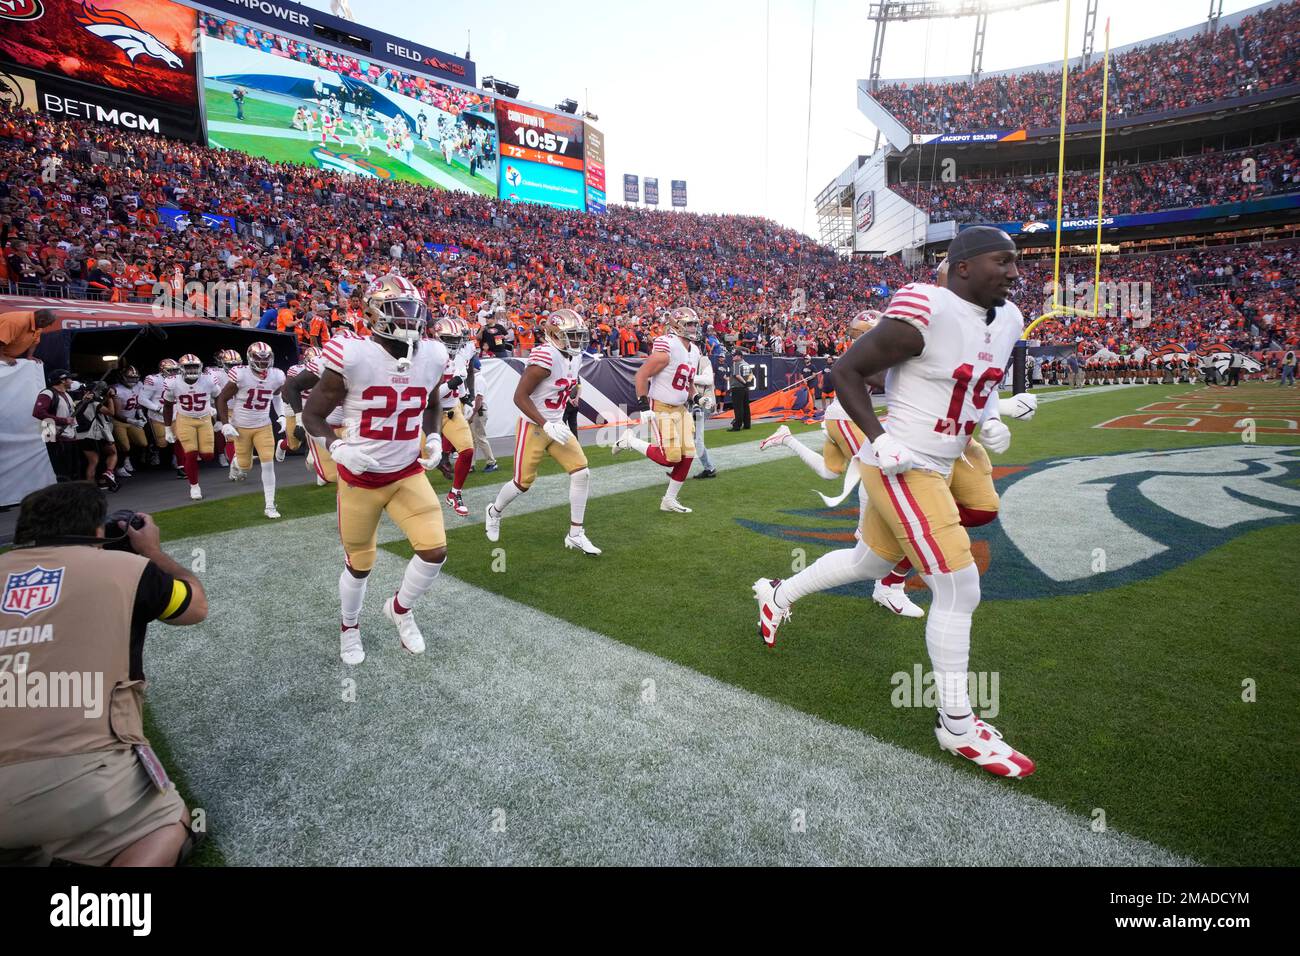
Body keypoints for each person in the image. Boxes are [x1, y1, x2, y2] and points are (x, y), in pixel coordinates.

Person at [752, 226, 1035, 779]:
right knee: (958, 585)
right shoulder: (926, 307)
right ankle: (956, 725)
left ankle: (777, 593)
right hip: (907, 462)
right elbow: (846, 371)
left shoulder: (1010, 318)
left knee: (872, 562)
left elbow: (986, 378)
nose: (1014, 272)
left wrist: (994, 417)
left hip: (949, 456)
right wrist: (879, 439)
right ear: (961, 267)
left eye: (1016, 262)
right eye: (1002, 261)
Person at [0, 482, 208, 866]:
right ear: (97, 530)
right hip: (77, 780)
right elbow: (195, 606)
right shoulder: (126, 569)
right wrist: (151, 552)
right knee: (172, 823)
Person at [302, 274, 450, 666]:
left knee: (434, 551)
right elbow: (312, 415)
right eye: (398, 310)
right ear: (373, 314)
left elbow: (433, 403)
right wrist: (337, 447)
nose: (409, 318)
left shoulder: (433, 355)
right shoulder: (352, 354)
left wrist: (433, 438)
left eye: (413, 310)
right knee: (360, 564)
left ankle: (400, 609)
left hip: (405, 472)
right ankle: (349, 627)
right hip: (360, 478)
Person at [485, 309, 600, 555]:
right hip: (534, 426)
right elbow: (519, 396)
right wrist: (544, 422)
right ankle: (494, 511)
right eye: (572, 336)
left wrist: (562, 405)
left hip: (557, 425)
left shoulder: (574, 356)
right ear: (554, 335)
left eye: (579, 336)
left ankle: (576, 534)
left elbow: (567, 382)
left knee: (582, 473)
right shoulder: (545, 356)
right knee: (522, 483)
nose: (577, 342)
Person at [611, 306, 703, 513]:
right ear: (677, 325)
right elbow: (641, 375)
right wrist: (643, 406)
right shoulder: (667, 346)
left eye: (694, 324)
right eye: (689, 324)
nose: (693, 328)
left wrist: (696, 397)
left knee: (688, 454)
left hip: (680, 408)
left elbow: (687, 381)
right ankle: (630, 441)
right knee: (669, 458)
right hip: (661, 405)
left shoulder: (694, 351)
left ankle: (669, 500)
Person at [216, 342, 285, 519]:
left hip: (263, 425)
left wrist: (282, 416)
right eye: (258, 359)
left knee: (268, 464)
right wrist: (225, 423)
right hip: (241, 427)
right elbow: (222, 399)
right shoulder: (240, 374)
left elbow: (277, 397)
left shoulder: (277, 376)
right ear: (250, 358)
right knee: (245, 466)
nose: (262, 363)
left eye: (266, 359)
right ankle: (236, 463)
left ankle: (269, 505)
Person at [432, 317, 476, 517]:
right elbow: (425, 396)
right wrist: (452, 384)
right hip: (427, 414)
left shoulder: (458, 356)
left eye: (456, 339)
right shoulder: (427, 358)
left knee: (466, 451)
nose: (454, 343)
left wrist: (466, 398)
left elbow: (461, 379)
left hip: (451, 411)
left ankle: (455, 493)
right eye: (449, 338)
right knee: (413, 461)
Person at [163, 355, 221, 501]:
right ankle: (194, 486)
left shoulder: (208, 380)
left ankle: (197, 460)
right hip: (185, 420)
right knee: (191, 454)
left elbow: (219, 397)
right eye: (188, 367)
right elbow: (168, 406)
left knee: (208, 456)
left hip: (205, 419)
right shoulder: (173, 382)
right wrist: (168, 428)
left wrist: (219, 419)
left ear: (200, 366)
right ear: (181, 369)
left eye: (194, 366)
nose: (192, 369)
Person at [32, 369, 79, 481]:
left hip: (69, 435)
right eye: (69, 378)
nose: (72, 382)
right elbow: (38, 412)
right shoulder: (47, 393)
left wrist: (85, 402)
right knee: (62, 471)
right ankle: (64, 496)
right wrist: (63, 421)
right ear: (62, 380)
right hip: (54, 434)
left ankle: (71, 495)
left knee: (73, 469)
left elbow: (71, 415)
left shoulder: (66, 394)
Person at [691, 343, 718, 479]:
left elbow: (708, 379)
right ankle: (708, 467)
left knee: (696, 439)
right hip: (695, 403)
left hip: (703, 403)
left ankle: (709, 467)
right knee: (690, 437)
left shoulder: (703, 360)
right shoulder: (688, 361)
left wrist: (689, 378)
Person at [728, 356, 755, 430]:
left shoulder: (736, 364)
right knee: (746, 406)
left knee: (738, 407)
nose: (732, 357)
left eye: (734, 355)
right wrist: (748, 382)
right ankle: (747, 424)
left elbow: (737, 375)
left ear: (739, 356)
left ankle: (737, 426)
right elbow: (751, 374)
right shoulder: (746, 364)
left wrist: (744, 382)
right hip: (745, 388)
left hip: (737, 387)